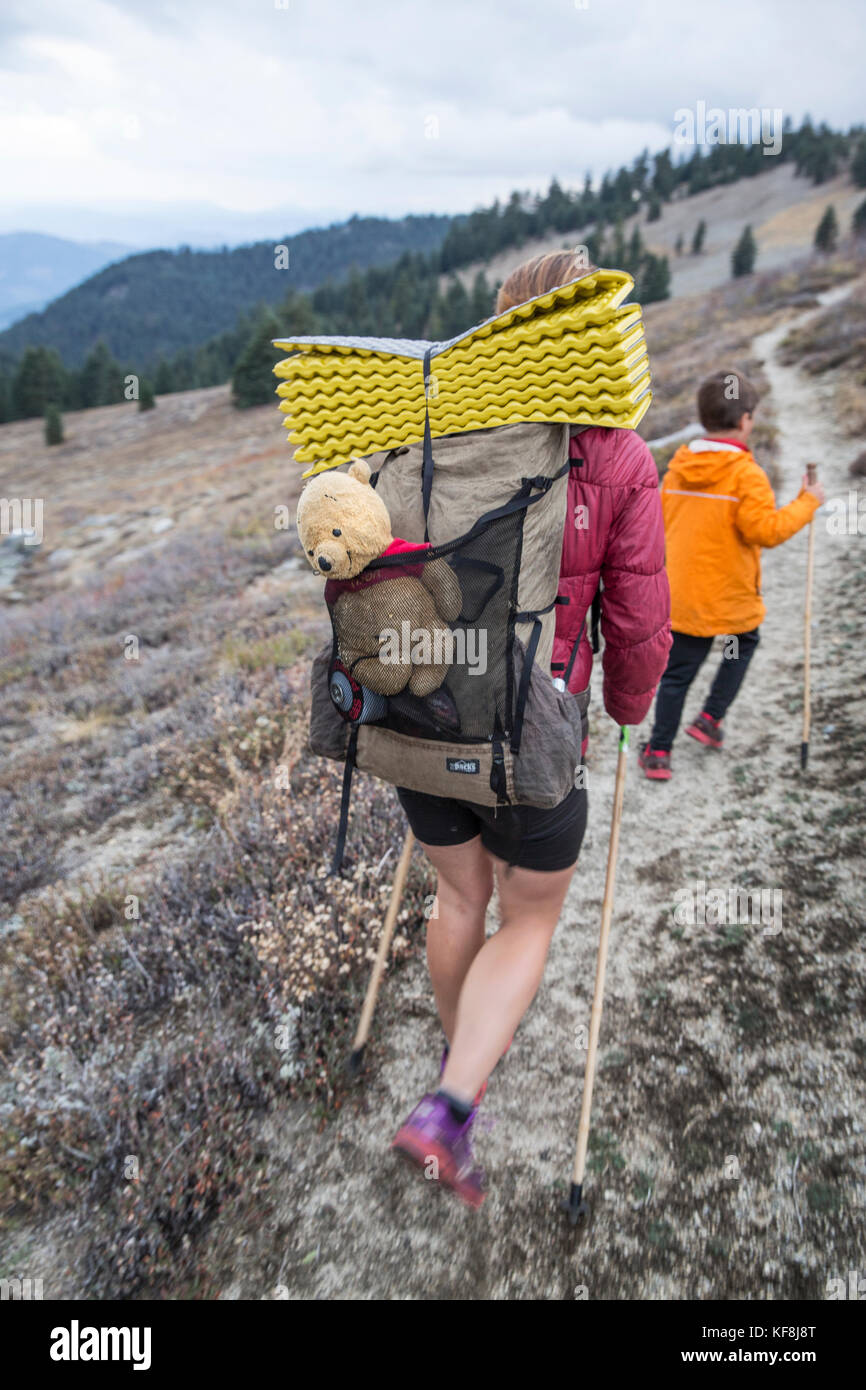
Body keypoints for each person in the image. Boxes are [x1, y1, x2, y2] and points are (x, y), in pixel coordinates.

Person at [391, 250, 671, 1205]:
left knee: (457, 900)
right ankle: (452, 1103)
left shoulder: (429, 428)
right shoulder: (616, 453)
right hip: (533, 728)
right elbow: (636, 619)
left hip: (420, 714)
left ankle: (452, 1065)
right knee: (533, 912)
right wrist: (632, 710)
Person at [639, 369, 825, 781]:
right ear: (745, 420)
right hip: (730, 596)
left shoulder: (678, 467)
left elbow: (660, 525)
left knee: (677, 675)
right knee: (740, 644)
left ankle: (658, 751)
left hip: (684, 598)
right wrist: (807, 503)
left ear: (704, 418)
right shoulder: (747, 474)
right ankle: (709, 718)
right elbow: (767, 531)